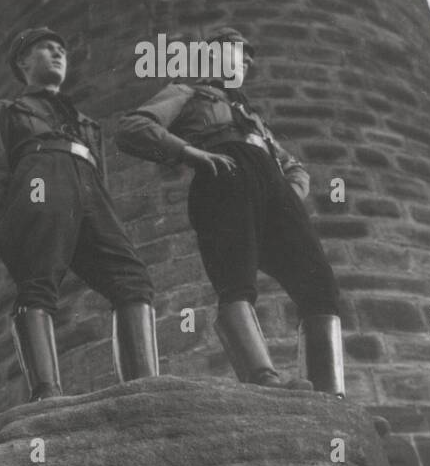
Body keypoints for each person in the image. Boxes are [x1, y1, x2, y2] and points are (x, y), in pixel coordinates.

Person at [116, 26, 345, 396]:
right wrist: (189, 153)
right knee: (235, 279)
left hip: (271, 189)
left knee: (320, 286)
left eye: (248, 59)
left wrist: (288, 195)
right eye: (238, 52)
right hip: (224, 178)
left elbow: (294, 165)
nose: (246, 63)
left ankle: (331, 393)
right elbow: (133, 127)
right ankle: (263, 379)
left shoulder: (255, 120)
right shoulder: (186, 93)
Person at [0, 27, 158, 400]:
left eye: (61, 50)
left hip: (89, 193)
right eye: (46, 49)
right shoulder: (9, 111)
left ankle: (145, 388)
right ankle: (47, 391)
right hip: (40, 186)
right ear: (24, 63)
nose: (57, 54)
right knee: (38, 284)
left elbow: (99, 177)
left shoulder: (86, 124)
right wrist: (11, 222)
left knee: (133, 279)